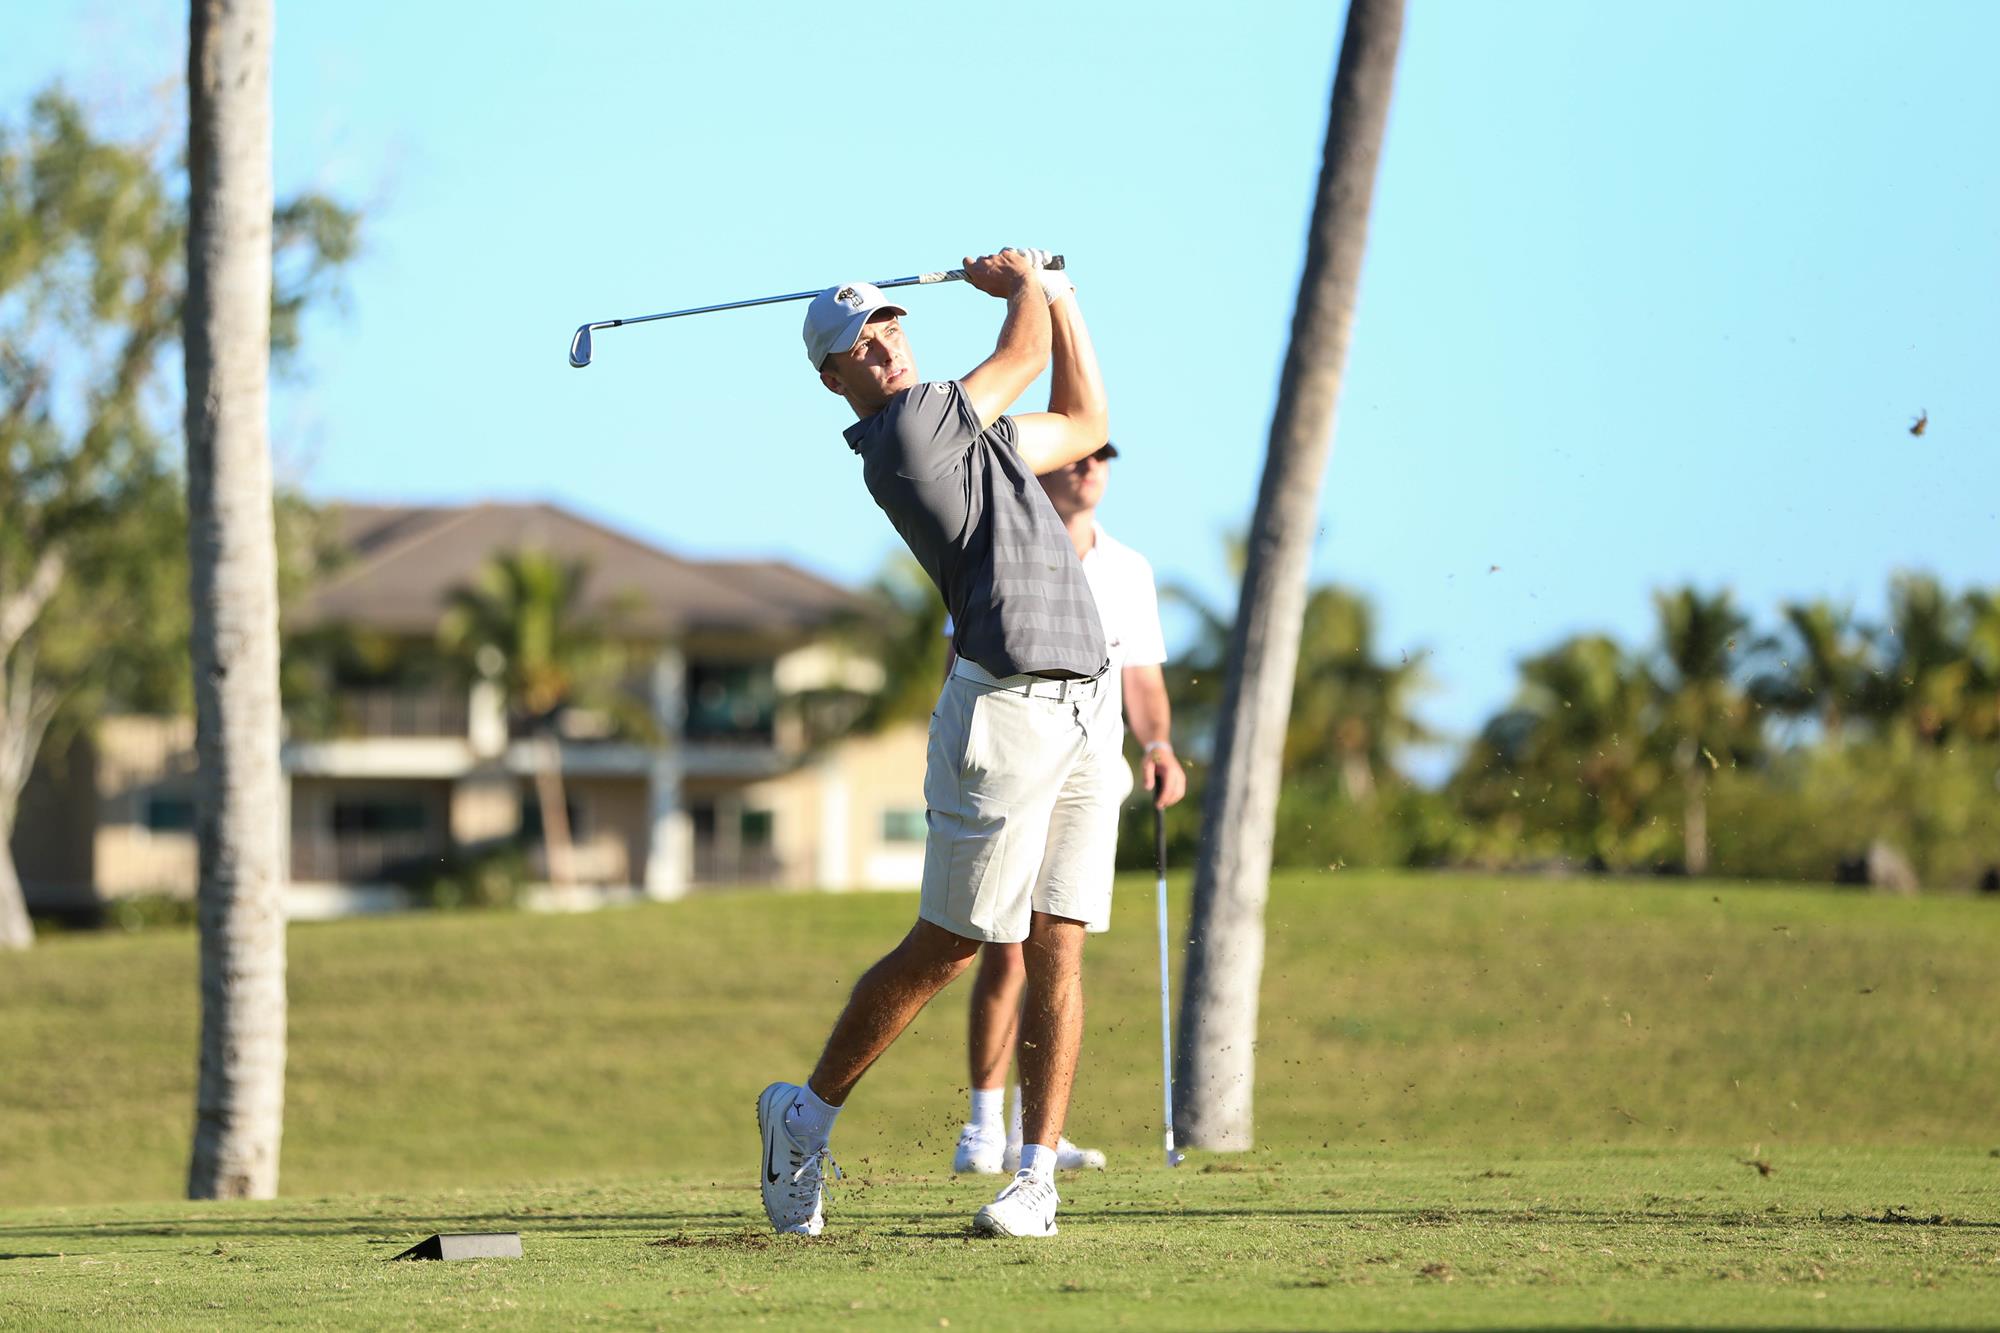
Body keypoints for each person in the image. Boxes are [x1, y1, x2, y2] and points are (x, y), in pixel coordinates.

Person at [757, 248, 1116, 1239]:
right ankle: (804, 1115)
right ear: (832, 380)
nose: (883, 350)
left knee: (1058, 944)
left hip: (1084, 705)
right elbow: (1022, 348)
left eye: (888, 330)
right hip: (1001, 711)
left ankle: (1033, 1177)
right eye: (858, 348)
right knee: (951, 944)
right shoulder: (907, 434)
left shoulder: (976, 435)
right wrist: (1022, 288)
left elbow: (1086, 423)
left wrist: (1065, 294)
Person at [946, 443, 1189, 1176]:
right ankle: (983, 1128)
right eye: (1074, 457)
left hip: (1089, 770)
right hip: (1014, 759)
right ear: (1040, 467)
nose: (1089, 468)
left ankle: (1032, 1133)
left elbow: (1141, 677)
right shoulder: (1001, 547)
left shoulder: (1131, 569)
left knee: (1057, 945)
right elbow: (958, 657)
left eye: (1101, 457)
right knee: (1001, 946)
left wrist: (1160, 744)